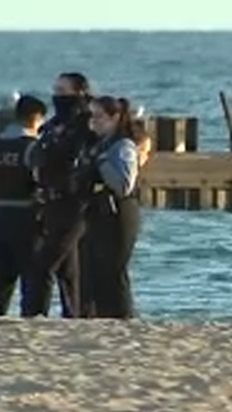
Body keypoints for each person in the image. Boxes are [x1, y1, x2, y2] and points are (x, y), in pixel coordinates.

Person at [21, 72, 97, 318]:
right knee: (68, 268)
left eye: (64, 92)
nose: (58, 97)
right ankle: (74, 315)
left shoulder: (87, 125)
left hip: (75, 204)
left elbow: (85, 161)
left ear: (80, 93)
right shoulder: (54, 125)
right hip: (50, 202)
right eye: (56, 91)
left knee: (44, 263)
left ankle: (34, 315)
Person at [0, 94, 48, 316]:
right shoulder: (33, 148)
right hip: (28, 218)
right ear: (36, 118)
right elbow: (43, 181)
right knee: (33, 282)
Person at [80, 96, 145, 319]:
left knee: (115, 270)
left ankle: (123, 316)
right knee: (96, 269)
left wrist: (102, 162)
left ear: (115, 118)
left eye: (99, 117)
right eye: (91, 116)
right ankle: (103, 316)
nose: (93, 122)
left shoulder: (122, 146)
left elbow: (124, 185)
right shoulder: (98, 144)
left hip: (120, 213)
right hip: (99, 213)